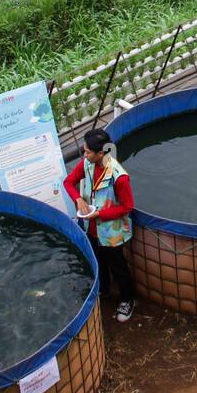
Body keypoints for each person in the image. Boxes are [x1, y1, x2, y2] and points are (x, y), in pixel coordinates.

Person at [64, 129, 137, 323]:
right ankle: (103, 289)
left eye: (88, 151)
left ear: (101, 153)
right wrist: (78, 199)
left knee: (118, 266)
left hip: (111, 231)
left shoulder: (119, 176)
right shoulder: (87, 164)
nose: (84, 154)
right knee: (98, 261)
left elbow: (127, 206)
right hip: (92, 228)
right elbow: (68, 182)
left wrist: (100, 213)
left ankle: (128, 300)